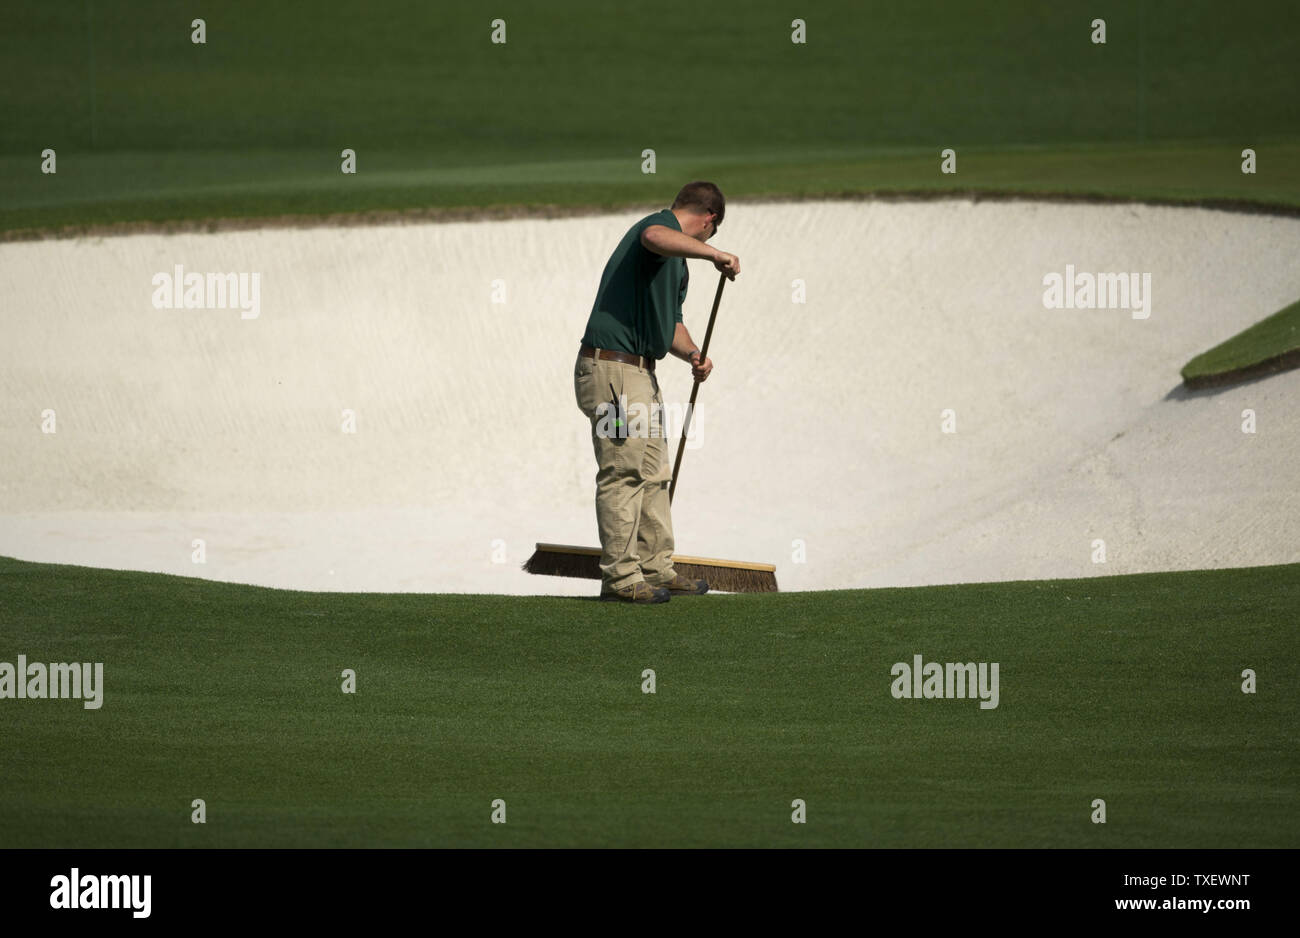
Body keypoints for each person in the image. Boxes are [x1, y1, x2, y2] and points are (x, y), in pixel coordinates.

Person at [573, 181, 741, 604]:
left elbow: (670, 327)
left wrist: (694, 355)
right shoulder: (658, 228)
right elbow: (654, 238)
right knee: (623, 470)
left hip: (642, 373)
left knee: (653, 471)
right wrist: (714, 255)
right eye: (710, 235)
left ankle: (656, 569)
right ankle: (621, 578)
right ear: (709, 219)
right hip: (611, 367)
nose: (706, 240)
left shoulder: (677, 265)